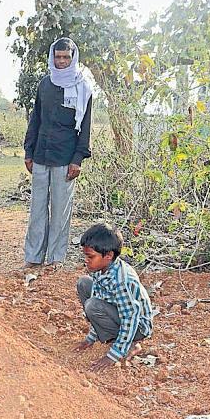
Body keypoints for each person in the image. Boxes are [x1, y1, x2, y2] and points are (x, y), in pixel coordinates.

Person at [23, 37, 92, 268]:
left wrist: (78, 159)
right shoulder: (45, 84)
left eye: (66, 57)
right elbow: (36, 119)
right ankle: (33, 258)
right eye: (58, 57)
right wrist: (28, 151)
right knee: (37, 210)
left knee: (61, 212)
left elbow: (85, 127)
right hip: (41, 155)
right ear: (52, 57)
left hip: (66, 158)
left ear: (73, 59)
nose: (61, 61)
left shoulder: (82, 88)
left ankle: (56, 259)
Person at [73, 223, 154, 373]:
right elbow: (98, 295)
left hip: (138, 326)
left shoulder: (121, 281)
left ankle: (131, 344)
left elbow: (131, 316)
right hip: (118, 309)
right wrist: (90, 338)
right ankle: (106, 335)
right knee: (84, 283)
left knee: (92, 306)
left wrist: (113, 355)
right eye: (85, 255)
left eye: (90, 256)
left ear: (109, 255)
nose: (86, 260)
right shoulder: (100, 269)